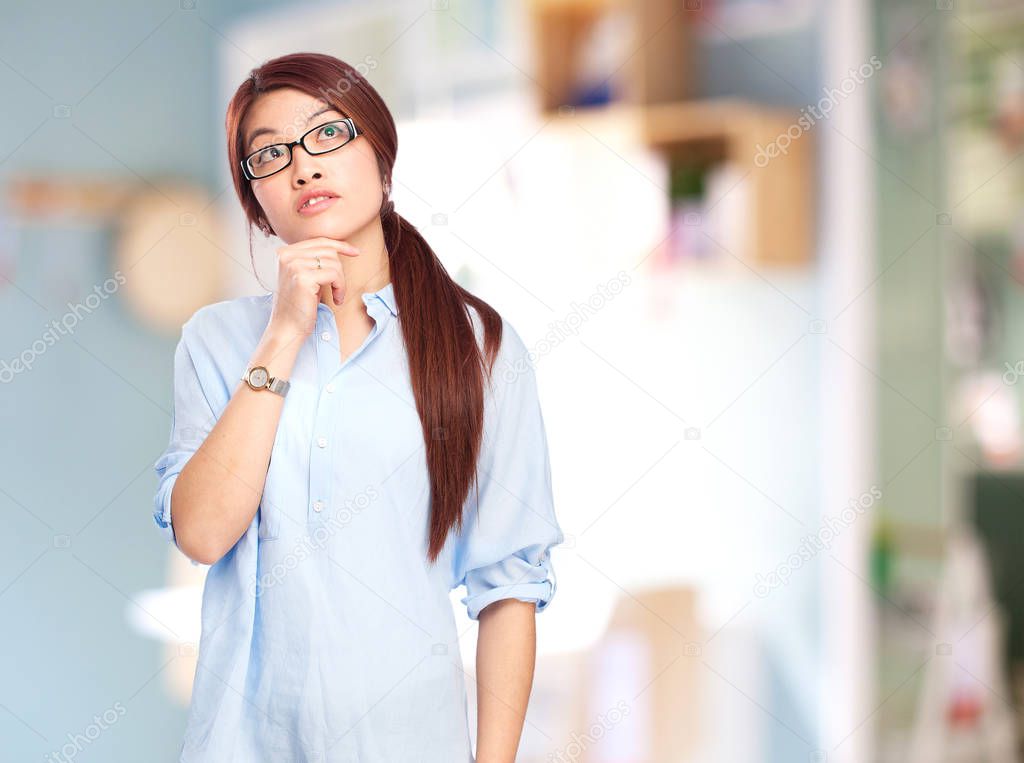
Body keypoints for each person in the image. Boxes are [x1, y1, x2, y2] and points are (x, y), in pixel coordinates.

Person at [151, 51, 564, 762]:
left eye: (326, 134)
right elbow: (204, 533)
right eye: (270, 154)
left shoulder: (481, 348)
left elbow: (509, 588)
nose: (303, 168)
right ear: (256, 201)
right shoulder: (216, 342)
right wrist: (283, 334)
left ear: (380, 150)